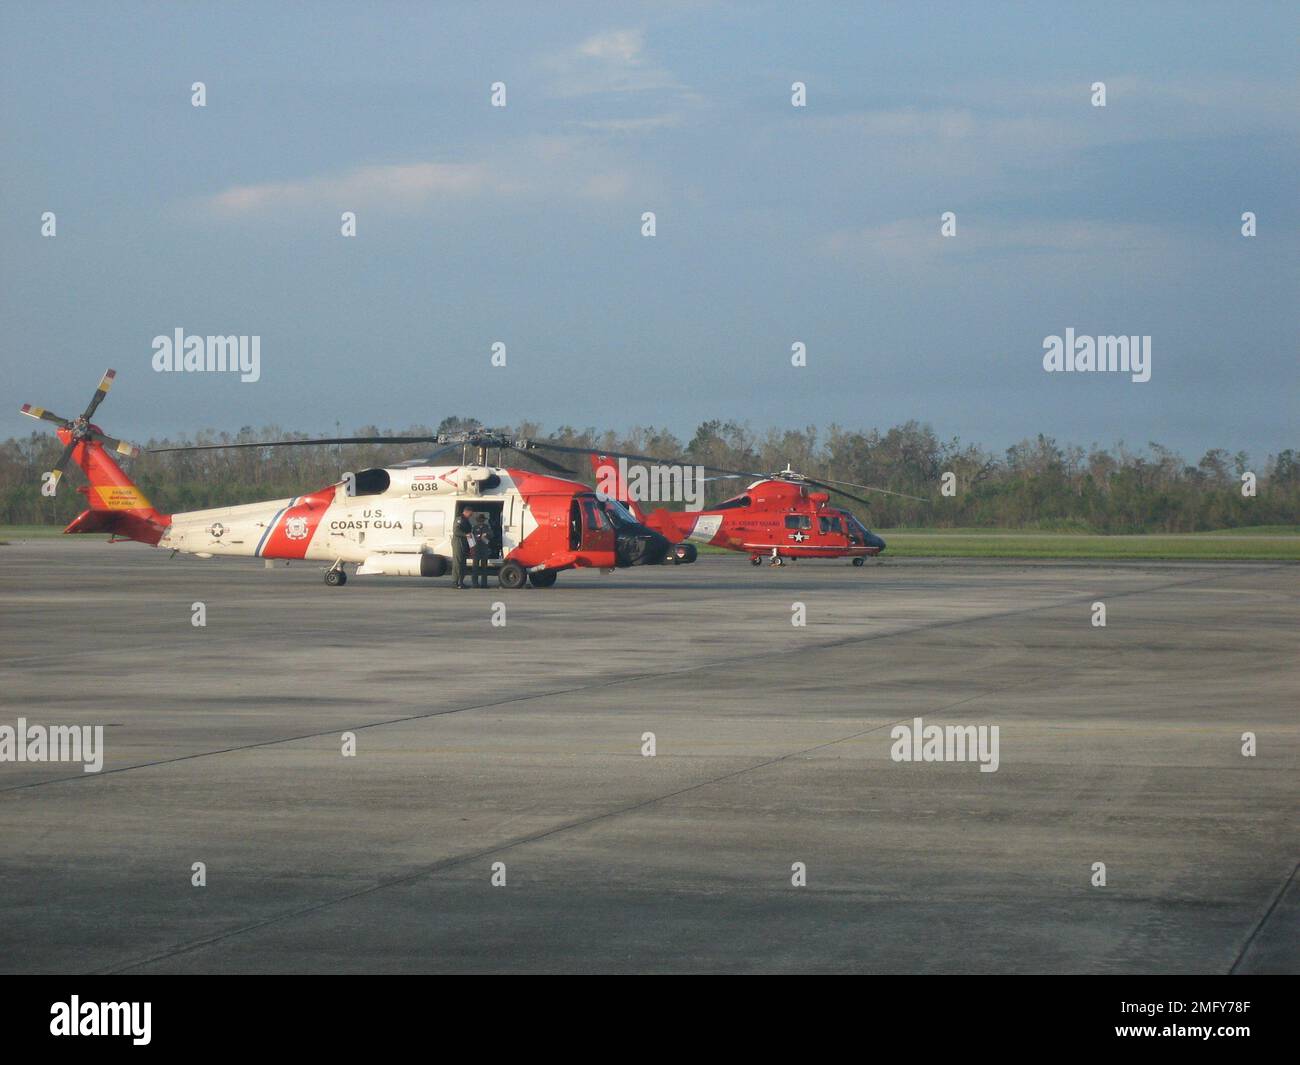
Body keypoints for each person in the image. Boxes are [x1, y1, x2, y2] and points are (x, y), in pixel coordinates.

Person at [451, 506, 474, 589]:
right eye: (470, 514)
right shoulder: (459, 519)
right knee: (457, 562)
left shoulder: (466, 520)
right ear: (466, 512)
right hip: (458, 543)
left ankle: (461, 582)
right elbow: (456, 531)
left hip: (464, 543)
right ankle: (455, 581)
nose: (471, 516)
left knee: (463, 563)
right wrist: (465, 534)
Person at [471, 512, 493, 588]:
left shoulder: (487, 527)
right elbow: (471, 538)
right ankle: (475, 584)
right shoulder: (474, 527)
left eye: (482, 520)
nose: (481, 521)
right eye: (480, 520)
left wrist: (487, 535)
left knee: (484, 568)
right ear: (478, 521)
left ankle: (484, 584)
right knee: (475, 567)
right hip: (476, 548)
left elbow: (491, 535)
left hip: (484, 548)